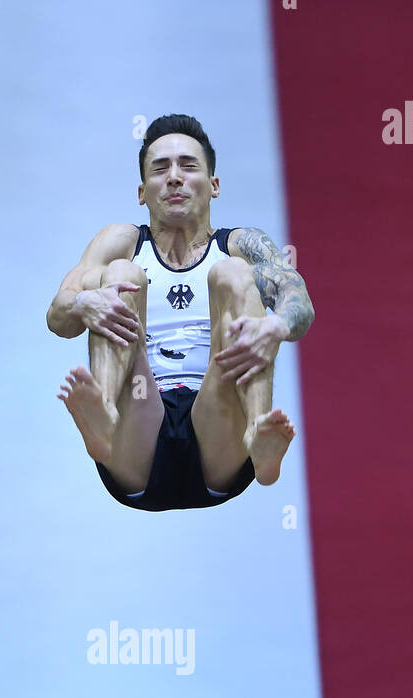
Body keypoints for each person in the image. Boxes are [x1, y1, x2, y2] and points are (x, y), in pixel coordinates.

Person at [47, 114, 314, 512]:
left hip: (219, 424)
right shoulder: (120, 242)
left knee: (234, 275)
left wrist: (274, 326)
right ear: (142, 191)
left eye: (188, 166)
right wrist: (86, 303)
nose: (174, 177)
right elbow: (58, 317)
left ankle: (259, 433)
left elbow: (299, 301)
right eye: (160, 168)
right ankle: (102, 413)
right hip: (136, 427)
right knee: (120, 275)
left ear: (214, 185)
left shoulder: (241, 245)